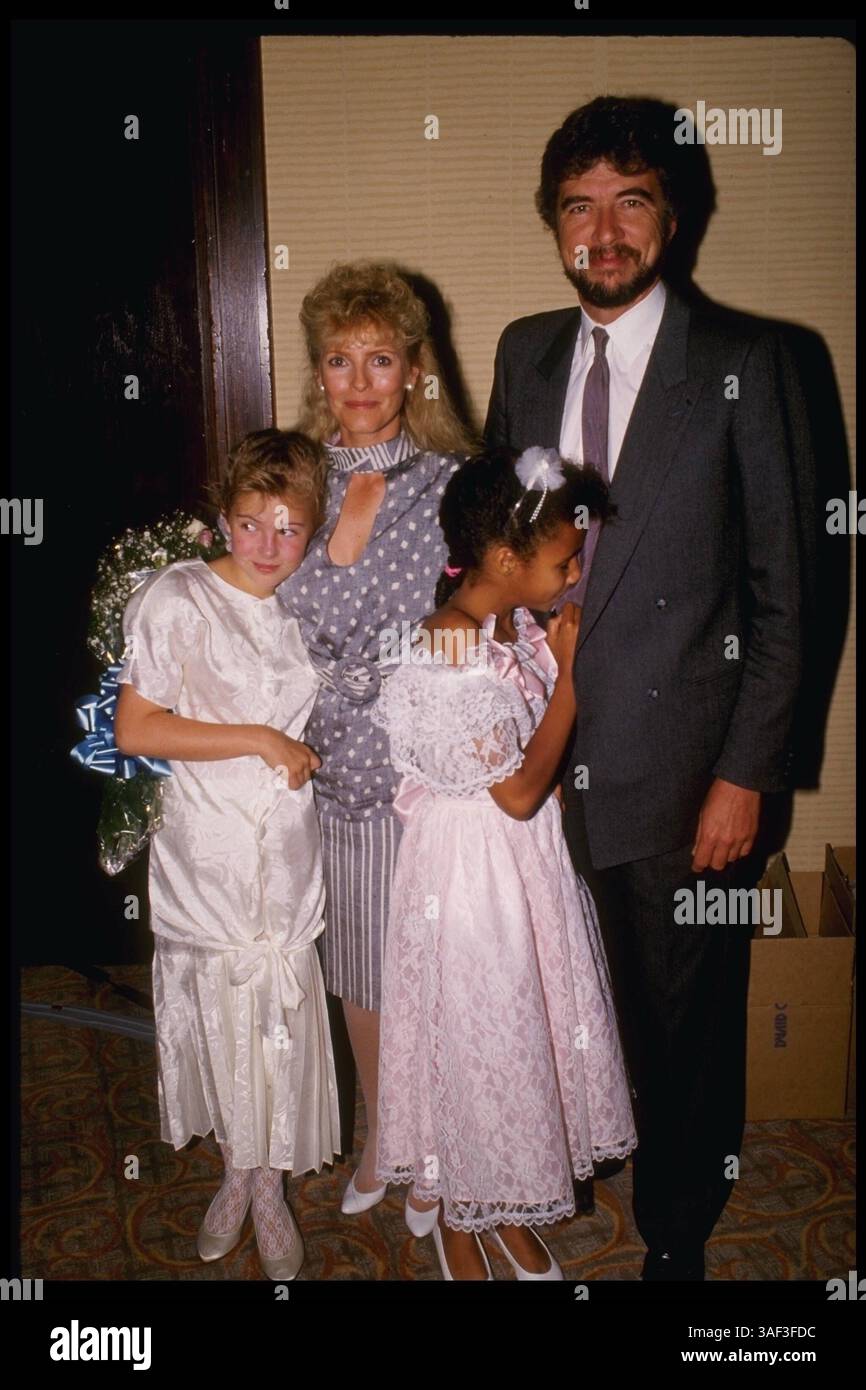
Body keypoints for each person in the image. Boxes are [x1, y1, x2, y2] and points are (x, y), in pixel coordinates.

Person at [485, 95, 812, 1279]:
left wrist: (745, 774)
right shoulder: (523, 351)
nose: (602, 230)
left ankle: (675, 1228)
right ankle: (589, 1161)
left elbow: (787, 593)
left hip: (682, 771)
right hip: (539, 754)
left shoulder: (749, 363)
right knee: (574, 993)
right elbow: (502, 539)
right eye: (577, 205)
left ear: (670, 217)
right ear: (553, 224)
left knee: (682, 1012)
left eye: (629, 200)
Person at [370, 446, 637, 1280]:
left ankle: (504, 1201)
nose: (570, 576)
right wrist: (568, 677)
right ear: (505, 559)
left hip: (516, 867)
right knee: (471, 1034)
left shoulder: (498, 626)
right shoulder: (445, 654)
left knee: (516, 1041)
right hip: (470, 879)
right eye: (561, 561)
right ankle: (458, 1211)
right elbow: (519, 791)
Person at [114, 431, 340, 1281]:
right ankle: (232, 1176)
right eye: (252, 524)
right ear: (223, 520)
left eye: (290, 530)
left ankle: (269, 1182)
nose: (269, 547)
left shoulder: (300, 612)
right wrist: (258, 737)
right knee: (220, 1016)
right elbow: (138, 729)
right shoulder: (177, 598)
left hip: (283, 851)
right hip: (203, 850)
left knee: (276, 1022)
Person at [277, 261, 475, 1221]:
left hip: (425, 780)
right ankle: (377, 1141)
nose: (359, 382)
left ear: (414, 372)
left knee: (434, 974)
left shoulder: (454, 487)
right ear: (320, 374)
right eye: (340, 361)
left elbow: (506, 615)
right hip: (324, 778)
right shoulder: (294, 487)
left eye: (381, 359)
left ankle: (435, 1151)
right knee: (358, 974)